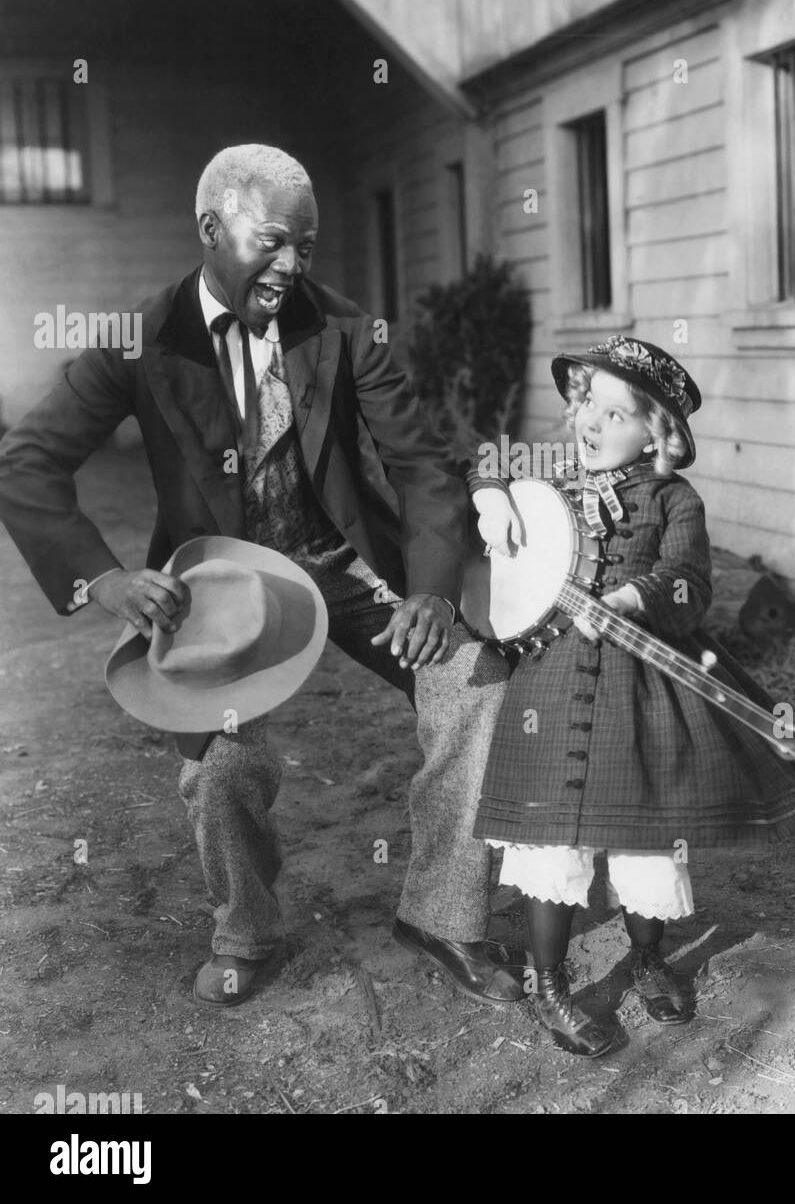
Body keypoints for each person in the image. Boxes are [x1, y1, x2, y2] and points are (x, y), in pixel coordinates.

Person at [0, 143, 524, 1010]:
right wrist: (103, 580)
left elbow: (425, 462)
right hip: (226, 586)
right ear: (211, 230)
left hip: (346, 562)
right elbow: (25, 463)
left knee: (473, 681)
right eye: (273, 242)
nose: (291, 267)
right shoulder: (140, 337)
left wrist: (429, 589)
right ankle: (247, 929)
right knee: (222, 766)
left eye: (306, 248)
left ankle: (442, 913)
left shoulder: (346, 328)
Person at [470, 337, 795, 1057]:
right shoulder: (548, 472)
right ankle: (549, 985)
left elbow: (689, 584)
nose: (593, 424)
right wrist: (490, 499)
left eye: (618, 414)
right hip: (548, 683)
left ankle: (647, 956)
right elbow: (482, 464)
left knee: (647, 836)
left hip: (643, 684)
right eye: (587, 405)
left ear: (658, 432)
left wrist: (632, 596)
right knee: (551, 837)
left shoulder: (675, 498)